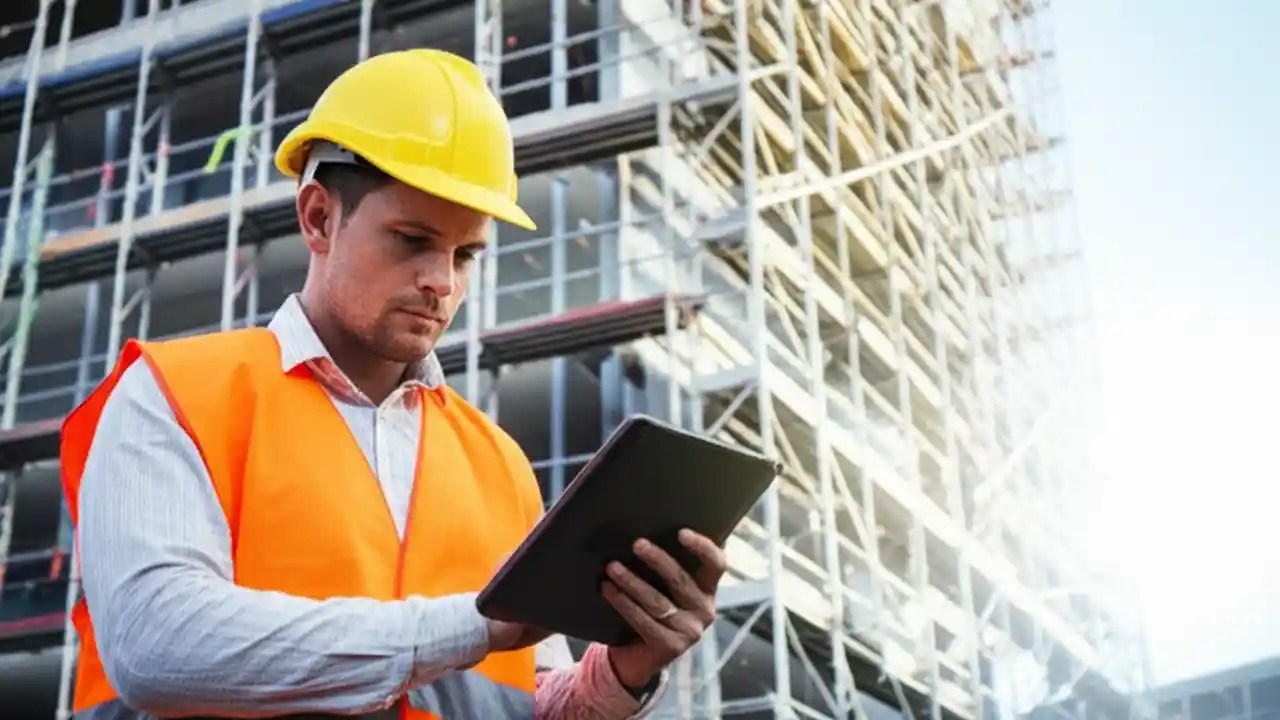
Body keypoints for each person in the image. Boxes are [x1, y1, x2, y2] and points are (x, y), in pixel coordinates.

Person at [58, 49, 729, 719]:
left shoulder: (500, 467)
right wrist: (470, 626)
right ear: (319, 217)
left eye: (466, 254)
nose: (443, 281)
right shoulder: (172, 394)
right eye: (412, 239)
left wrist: (622, 673)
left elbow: (519, 702)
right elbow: (156, 643)